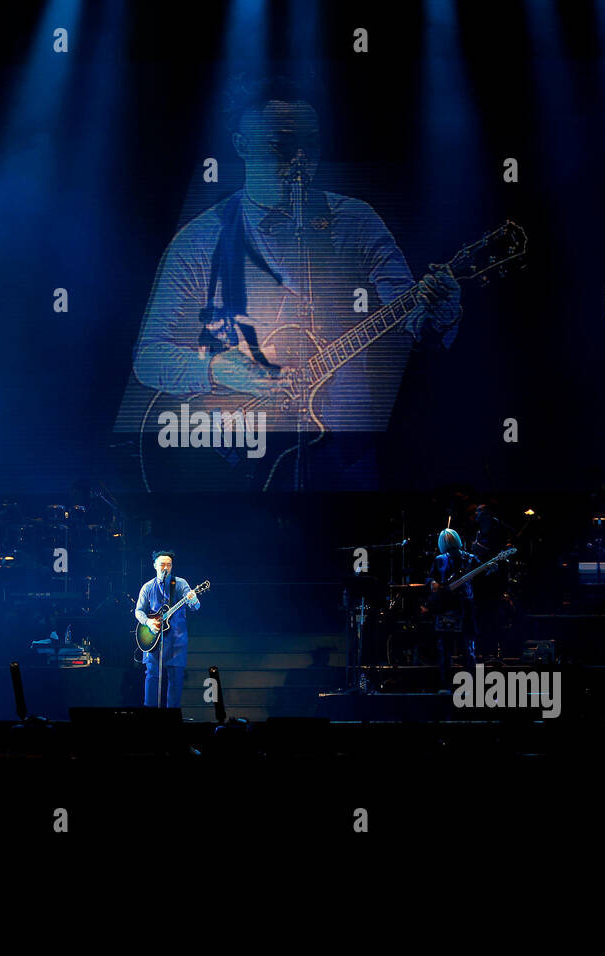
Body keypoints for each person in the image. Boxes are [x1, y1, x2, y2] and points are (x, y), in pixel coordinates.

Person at [129, 76, 463, 488]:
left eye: (312, 144)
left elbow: (414, 324)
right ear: (242, 145)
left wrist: (440, 316)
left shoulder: (357, 222)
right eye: (282, 145)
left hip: (346, 451)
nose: (301, 158)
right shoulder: (200, 239)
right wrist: (216, 369)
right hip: (246, 452)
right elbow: (149, 356)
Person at [134, 550, 201, 708]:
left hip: (176, 639)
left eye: (169, 565)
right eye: (162, 564)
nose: (165, 568)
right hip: (154, 637)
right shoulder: (148, 587)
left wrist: (194, 599)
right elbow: (139, 611)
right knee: (151, 677)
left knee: (176, 679)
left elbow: (196, 607)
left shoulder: (180, 583)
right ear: (155, 566)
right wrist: (149, 622)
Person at [425, 528, 479, 682]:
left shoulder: (470, 558)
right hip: (446, 607)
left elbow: (484, 576)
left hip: (465, 606)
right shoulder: (439, 559)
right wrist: (434, 583)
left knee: (468, 649)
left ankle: (470, 684)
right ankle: (446, 684)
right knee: (445, 649)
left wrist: (492, 569)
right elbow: (430, 578)